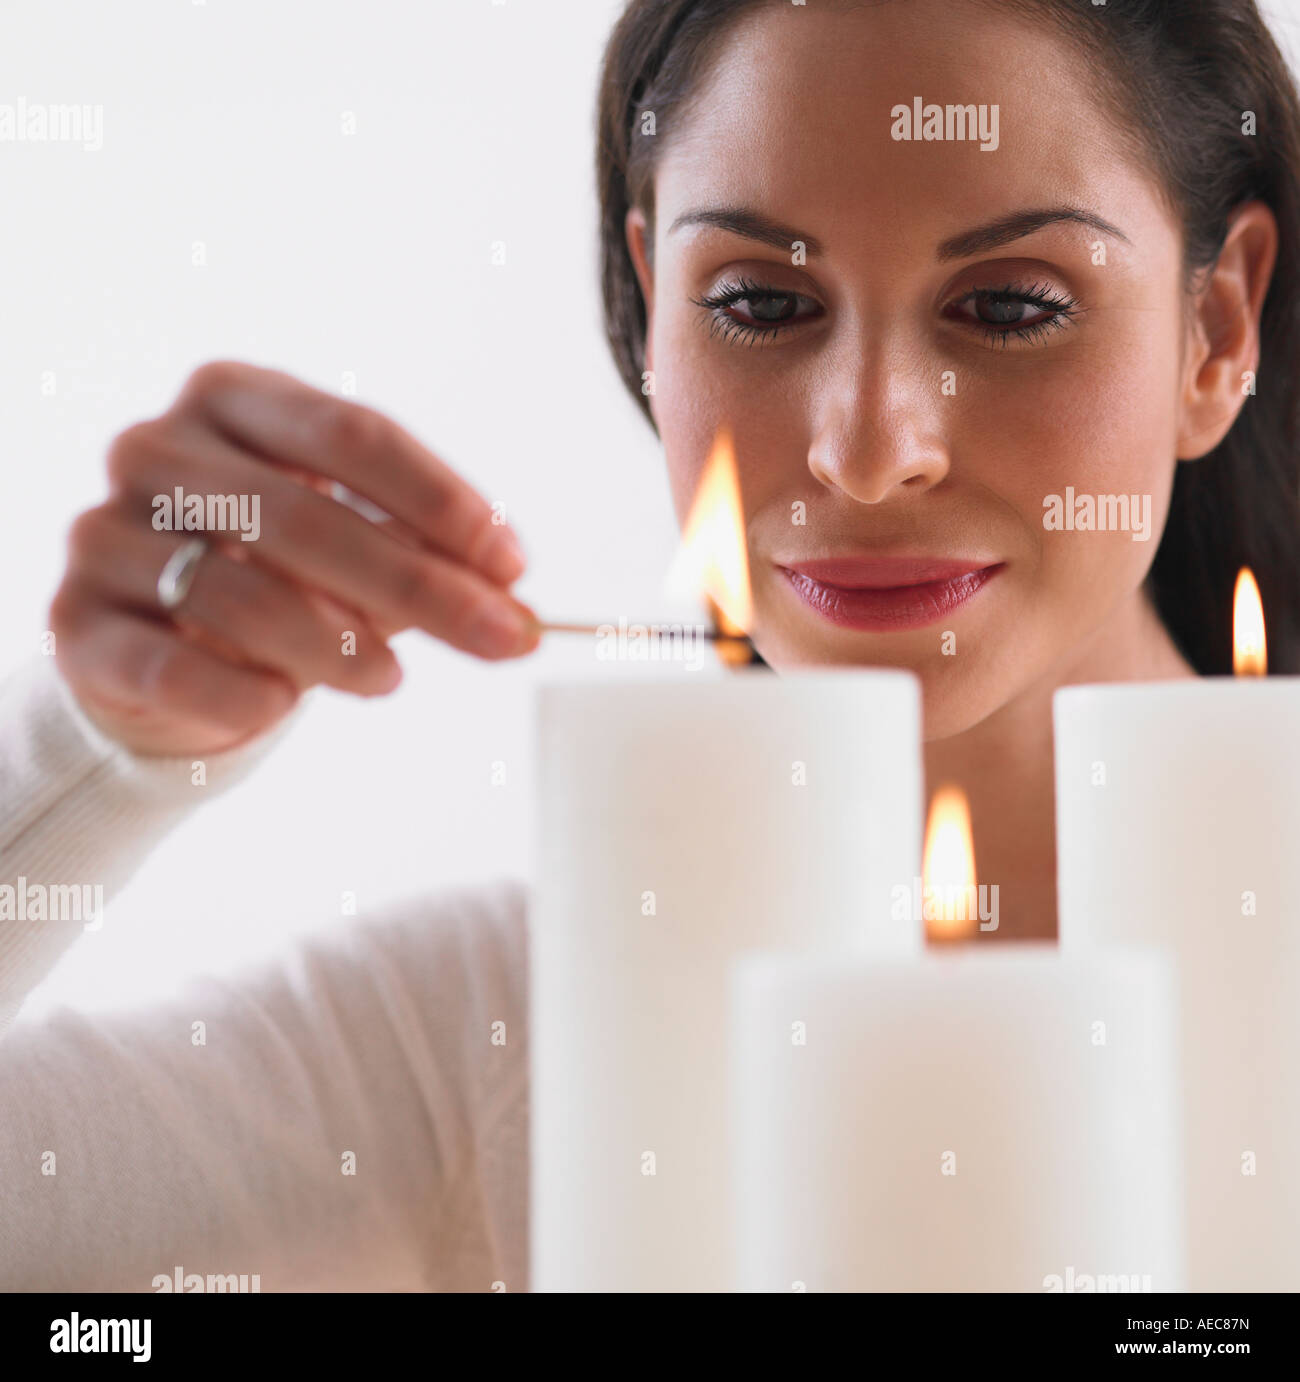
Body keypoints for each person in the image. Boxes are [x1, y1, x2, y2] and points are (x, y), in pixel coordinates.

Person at [2, 0, 1298, 1290]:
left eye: (1009, 306)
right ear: (650, 305)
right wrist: (97, 755)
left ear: (1219, 331)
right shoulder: (512, 1052)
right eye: (761, 302)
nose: (865, 450)